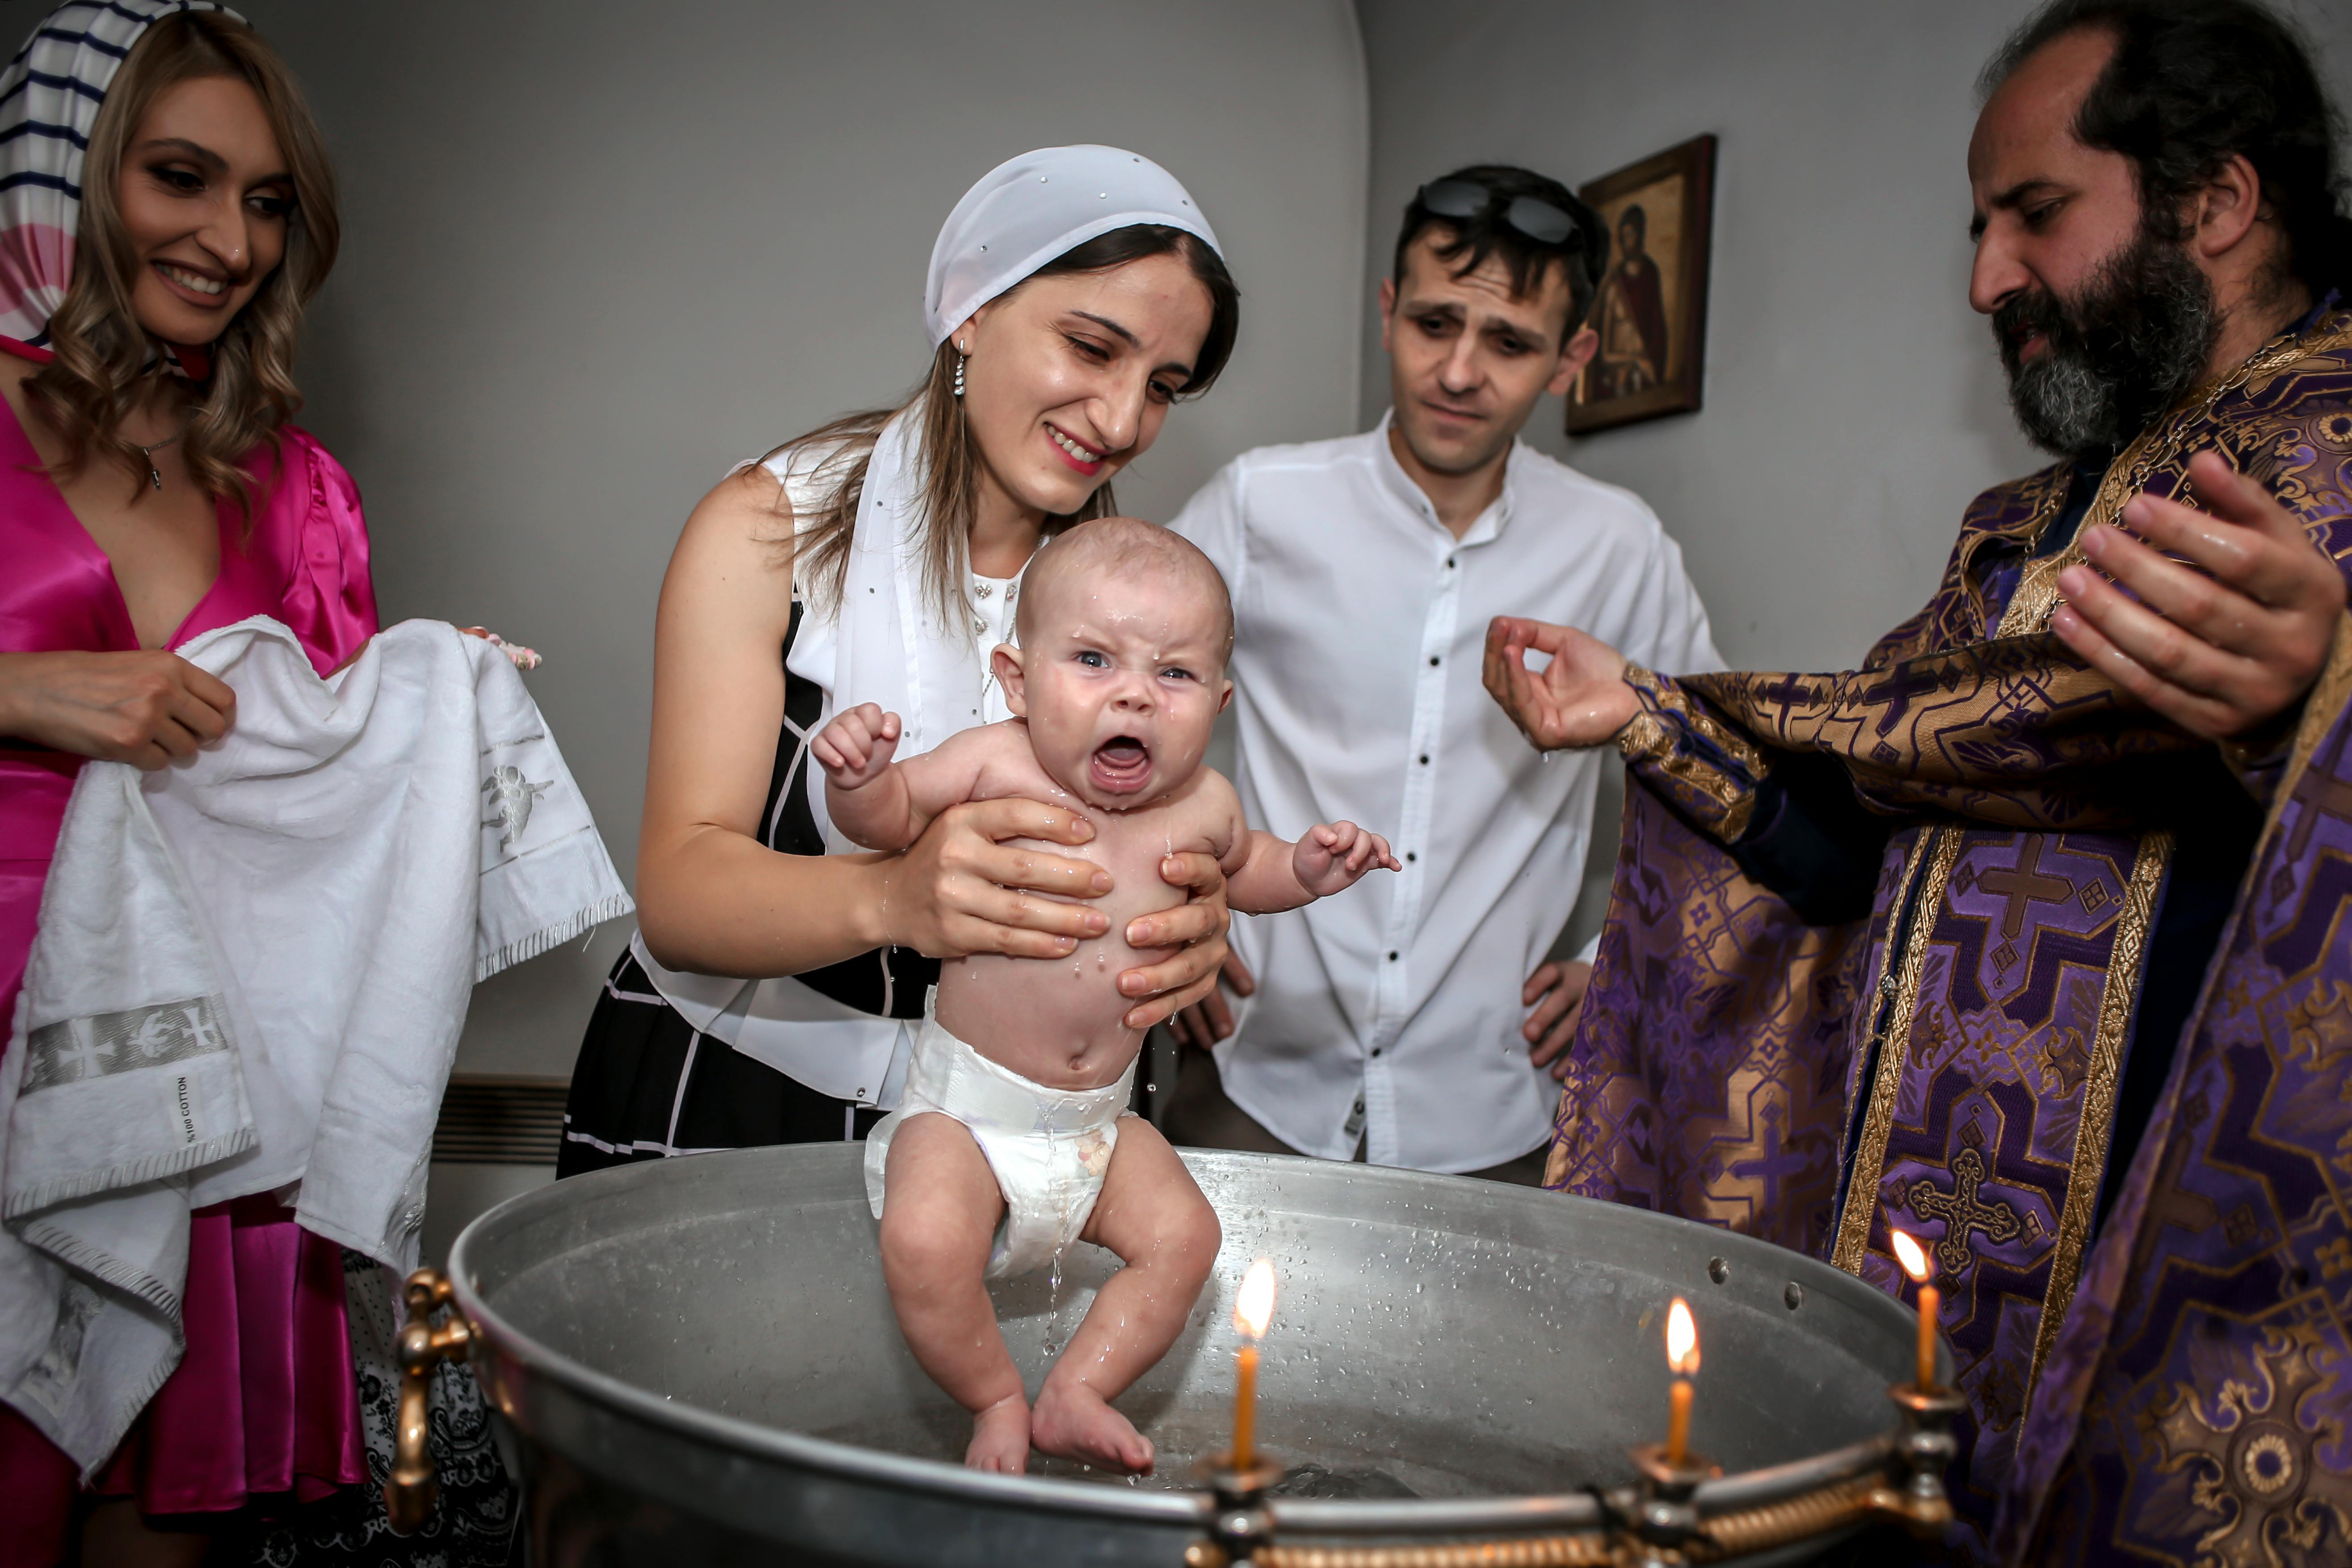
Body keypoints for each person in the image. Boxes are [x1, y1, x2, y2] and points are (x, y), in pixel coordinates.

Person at [1484, 2, 2352, 1559]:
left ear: (2213, 203)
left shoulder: (2330, 473)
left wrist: (2314, 715)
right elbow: (1852, 854)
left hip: (2187, 1343)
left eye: (2031, 216)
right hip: (1920, 1274)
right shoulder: (2017, 532)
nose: (1984, 281)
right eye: (1976, 227)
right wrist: (1645, 721)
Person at [559, 148, 1241, 1185]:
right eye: (1089, 348)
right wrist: (900, 897)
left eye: (1161, 388)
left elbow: (1149, 834)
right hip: (740, 1103)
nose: (1119, 421)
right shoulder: (766, 527)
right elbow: (679, 894)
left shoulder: (1123, 604)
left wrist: (1181, 922)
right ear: (969, 306)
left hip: (1013, 1139)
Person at [0, 5, 380, 1564]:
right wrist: (17, 689)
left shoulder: (293, 488)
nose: (232, 238)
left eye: (268, 198)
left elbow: (322, 825)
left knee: (164, 1521)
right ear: (70, 173)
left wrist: (415, 720)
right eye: (181, 176)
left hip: (206, 1093)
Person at [1163, 164, 1720, 1181]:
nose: (1457, 371)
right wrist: (1149, 917)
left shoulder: (1619, 548)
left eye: (1507, 341)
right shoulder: (1258, 505)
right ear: (1385, 313)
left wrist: (1623, 962)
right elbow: (1102, 705)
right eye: (1432, 323)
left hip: (1495, 1107)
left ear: (1570, 359)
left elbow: (1715, 777)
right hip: (1253, 1072)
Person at [818, 518, 1395, 1475]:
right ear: (1016, 678)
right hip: (968, 1110)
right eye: (1092, 658)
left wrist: (1307, 865)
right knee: (924, 1242)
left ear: (1218, 701)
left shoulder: (1205, 802)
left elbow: (1246, 866)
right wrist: (861, 779)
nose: (1132, 690)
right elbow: (887, 821)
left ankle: (1078, 1387)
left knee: (1187, 1239)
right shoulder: (992, 759)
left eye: (1172, 674)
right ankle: (996, 1394)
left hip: (1099, 1123)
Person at [1592, 204, 1667, 396]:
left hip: (1643, 373)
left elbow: (1657, 326)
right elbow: (1604, 352)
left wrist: (1647, 362)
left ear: (1641, 235)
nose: (1627, 242)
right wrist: (1631, 361)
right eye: (1623, 237)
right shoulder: (1614, 286)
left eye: (1631, 235)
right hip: (1617, 375)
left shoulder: (1650, 275)